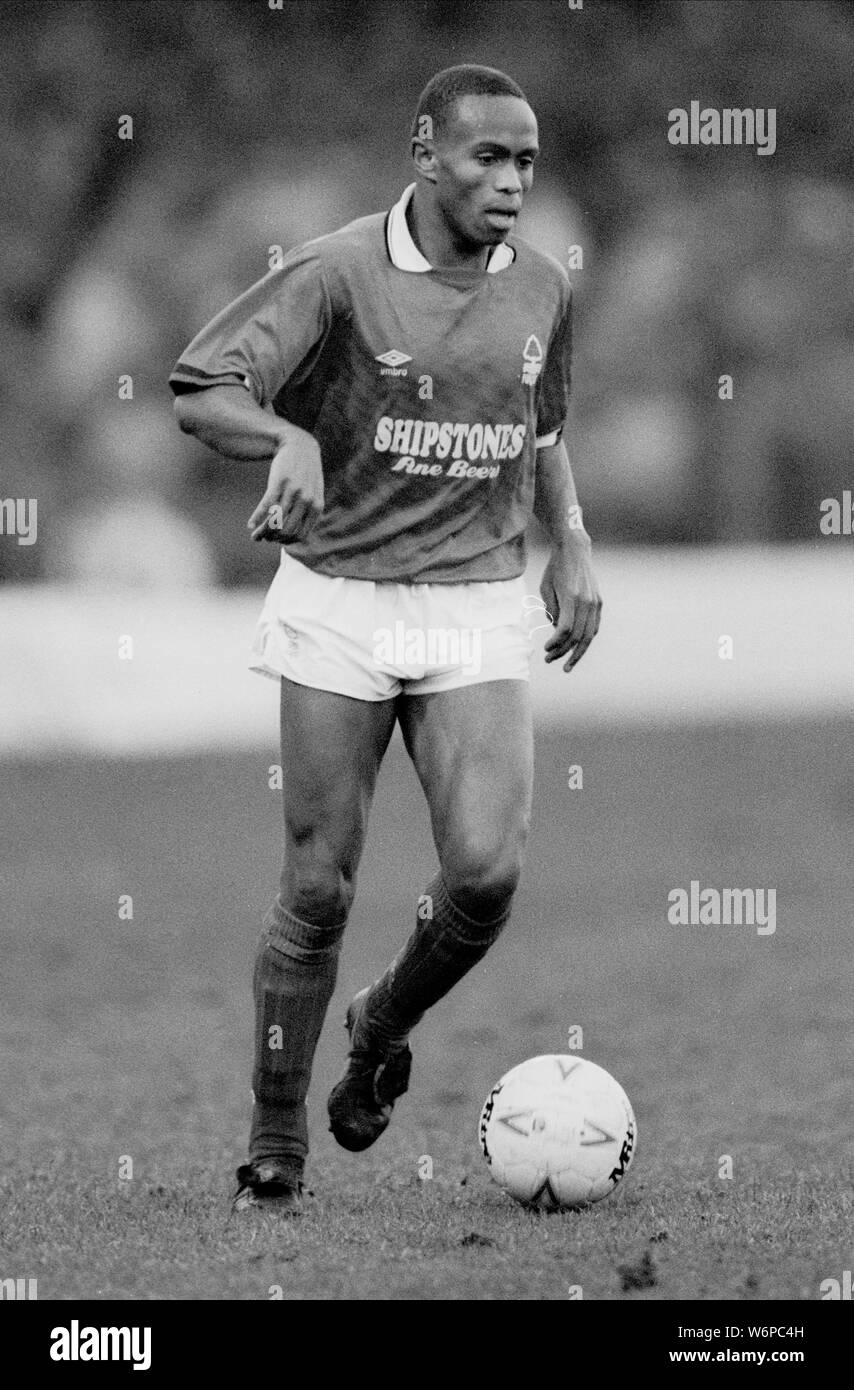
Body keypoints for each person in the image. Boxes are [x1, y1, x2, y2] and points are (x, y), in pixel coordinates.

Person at [170, 63, 602, 1216]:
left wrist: (570, 540)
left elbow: (541, 422)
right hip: (339, 597)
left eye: (524, 161)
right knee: (319, 883)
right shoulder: (335, 272)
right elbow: (199, 385)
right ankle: (275, 1140)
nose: (510, 181)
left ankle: (381, 1024)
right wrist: (284, 440)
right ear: (424, 152)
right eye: (486, 158)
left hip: (472, 600)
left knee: (486, 871)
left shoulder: (545, 288)